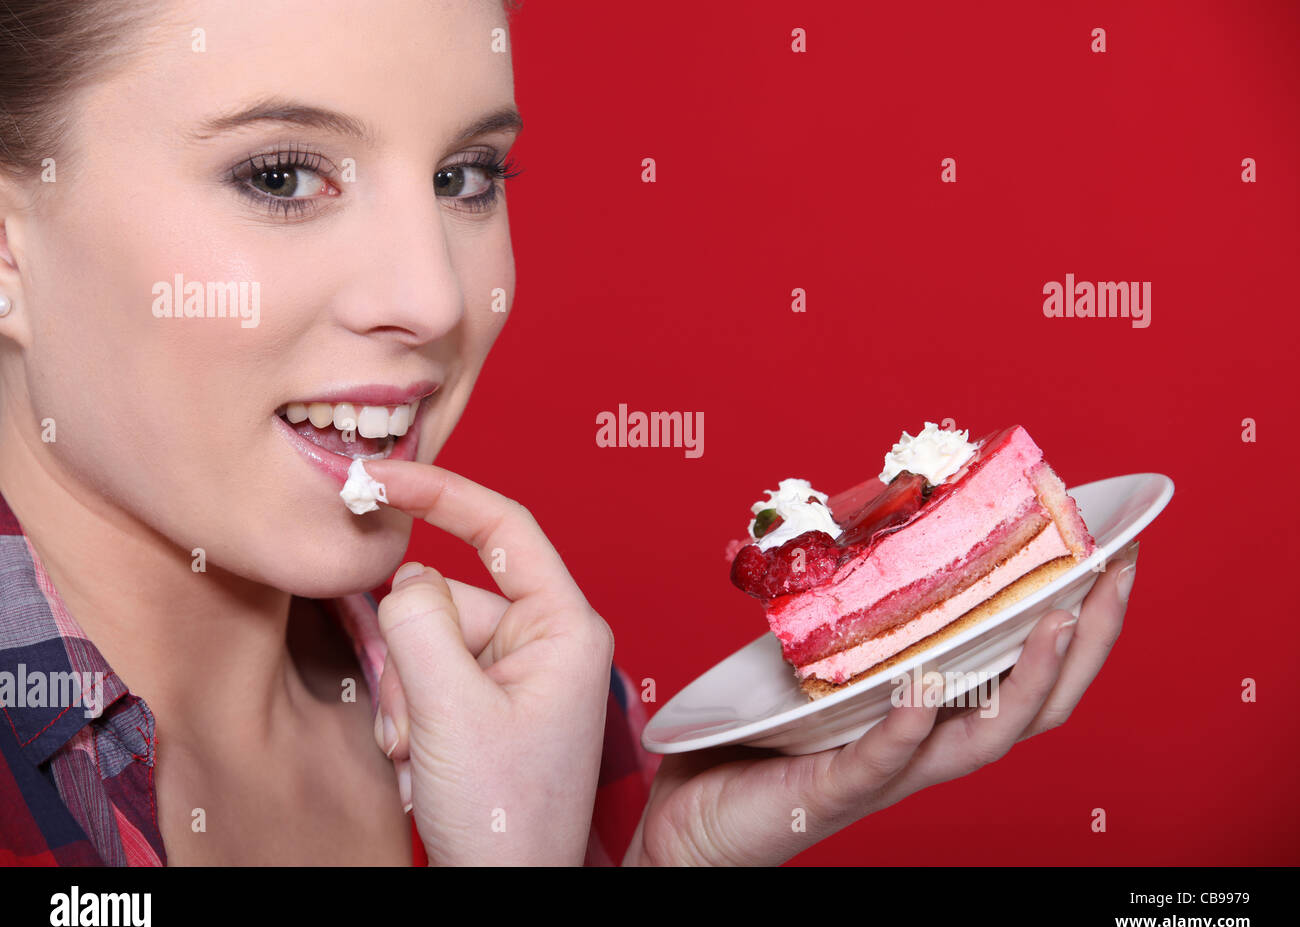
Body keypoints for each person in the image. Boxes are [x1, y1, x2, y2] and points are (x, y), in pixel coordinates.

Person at [0, 0, 1139, 866]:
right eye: (283, 174)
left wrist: (655, 852)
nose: (436, 297)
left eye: (465, 175)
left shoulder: (551, 725)